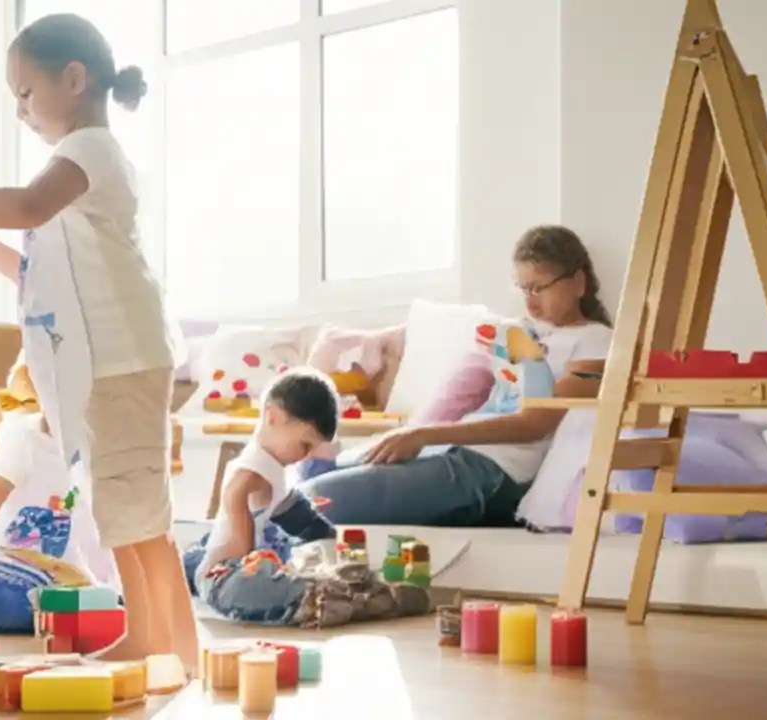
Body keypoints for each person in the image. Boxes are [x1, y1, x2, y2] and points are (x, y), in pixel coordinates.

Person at [0, 13, 197, 669]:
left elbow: (25, 205)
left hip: (123, 359)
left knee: (136, 511)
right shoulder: (70, 176)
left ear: (74, 79)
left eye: (25, 92)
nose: (20, 109)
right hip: (104, 365)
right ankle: (165, 642)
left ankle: (165, 641)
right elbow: (24, 271)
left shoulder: (87, 152)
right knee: (126, 510)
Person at [301, 225, 611, 526]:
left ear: (578, 282)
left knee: (318, 500)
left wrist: (424, 435)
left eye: (539, 288)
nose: (530, 302)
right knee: (313, 474)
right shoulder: (518, 330)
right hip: (456, 452)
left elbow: (535, 424)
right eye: (524, 288)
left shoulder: (597, 341)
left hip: (497, 471)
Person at [187, 370, 342, 623]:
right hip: (225, 574)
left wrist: (332, 538)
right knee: (277, 587)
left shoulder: (273, 467)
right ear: (272, 416)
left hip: (248, 560)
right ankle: (317, 597)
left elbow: (294, 512)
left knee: (296, 557)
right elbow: (234, 495)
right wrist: (243, 554)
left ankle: (192, 565)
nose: (306, 455)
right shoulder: (252, 470)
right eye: (305, 444)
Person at [0, 362, 119, 634]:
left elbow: (103, 540)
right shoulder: (26, 440)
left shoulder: (98, 453)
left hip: (60, 580)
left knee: (105, 604)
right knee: (9, 603)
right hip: (0, 566)